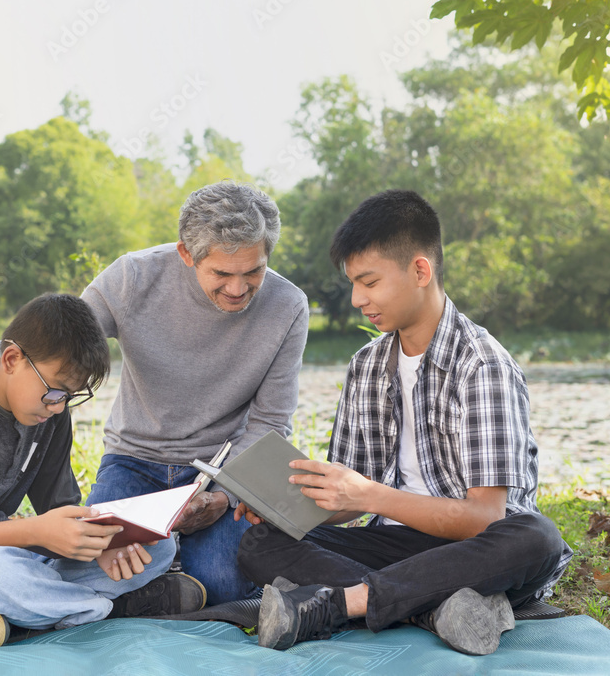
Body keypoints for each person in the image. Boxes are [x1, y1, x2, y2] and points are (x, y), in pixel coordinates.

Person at [0, 182, 310, 604]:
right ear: (185, 254)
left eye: (253, 271)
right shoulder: (132, 277)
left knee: (222, 586)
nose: (238, 289)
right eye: (221, 273)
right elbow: (56, 342)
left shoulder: (288, 307)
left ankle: (168, 577)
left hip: (218, 471)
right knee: (93, 562)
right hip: (133, 461)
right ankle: (159, 582)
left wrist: (224, 494)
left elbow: (270, 423)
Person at [236, 190, 573, 655]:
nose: (357, 299)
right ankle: (431, 611)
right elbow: (350, 501)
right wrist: (281, 505)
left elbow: (484, 519)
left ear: (420, 271)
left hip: (481, 552)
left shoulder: (482, 365)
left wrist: (369, 495)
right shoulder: (367, 365)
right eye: (353, 283)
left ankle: (340, 604)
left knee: (538, 537)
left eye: (369, 282)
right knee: (260, 542)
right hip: (399, 547)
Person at [0, 294, 204, 648]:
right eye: (54, 392)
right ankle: (110, 608)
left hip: (6, 553)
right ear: (12, 359)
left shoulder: (50, 417)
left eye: (70, 396)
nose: (59, 407)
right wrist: (34, 531)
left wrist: (101, 546)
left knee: (159, 547)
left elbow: (59, 509)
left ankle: (7, 613)